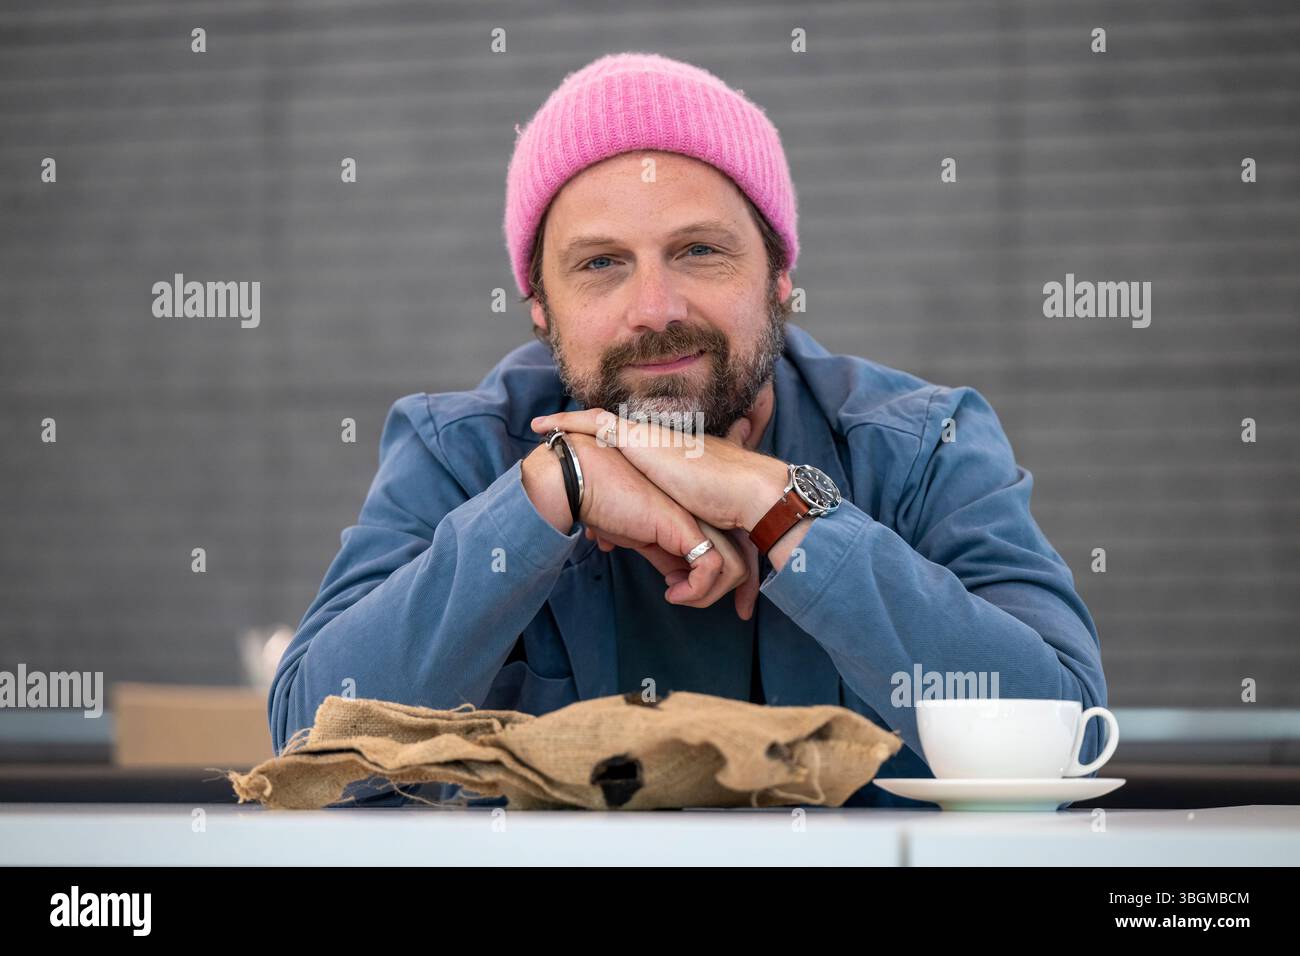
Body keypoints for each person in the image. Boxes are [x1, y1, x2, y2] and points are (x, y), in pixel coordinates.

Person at [267, 52, 1107, 809]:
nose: (655, 311)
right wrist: (548, 496)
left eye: (700, 250)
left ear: (780, 276)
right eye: (601, 264)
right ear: (539, 307)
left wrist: (784, 509)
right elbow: (313, 753)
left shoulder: (923, 443)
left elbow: (1059, 739)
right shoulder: (460, 450)